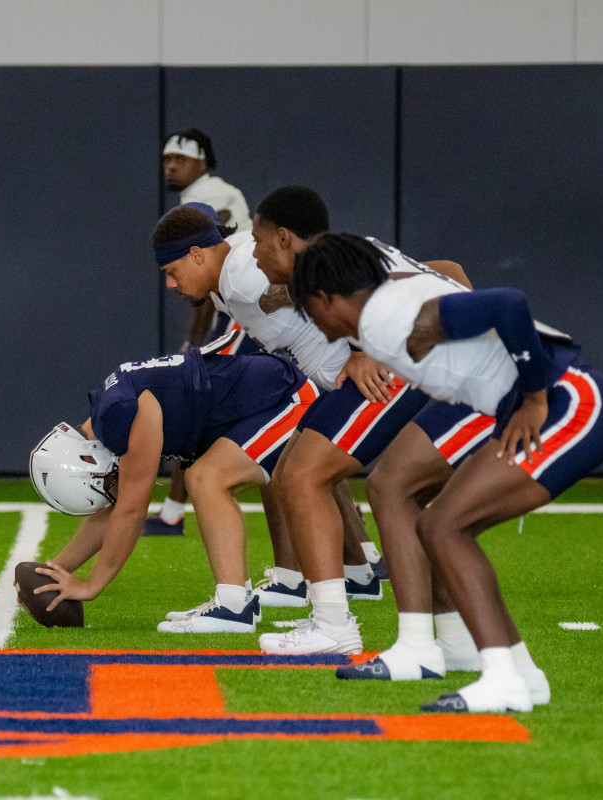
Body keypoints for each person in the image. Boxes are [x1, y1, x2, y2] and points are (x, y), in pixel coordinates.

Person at [289, 233, 603, 713]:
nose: (312, 323)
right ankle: (521, 676)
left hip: (570, 401)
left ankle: (502, 678)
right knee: (440, 524)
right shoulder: (385, 303)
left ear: (326, 298)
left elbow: (508, 304)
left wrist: (533, 399)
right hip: (542, 400)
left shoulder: (388, 319)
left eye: (308, 308)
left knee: (444, 526)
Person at [241, 187, 468, 655]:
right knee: (308, 475)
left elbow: (411, 289)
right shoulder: (352, 252)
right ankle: (455, 638)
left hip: (412, 361)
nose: (254, 252)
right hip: (440, 362)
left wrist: (365, 350)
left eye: (258, 240)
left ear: (283, 238)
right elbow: (449, 272)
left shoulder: (337, 267)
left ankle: (334, 625)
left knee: (305, 476)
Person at [152, 201, 387, 620]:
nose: (170, 285)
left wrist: (360, 349)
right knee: (300, 470)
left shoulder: (244, 275)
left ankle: (307, 613)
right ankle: (357, 574)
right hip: (332, 383)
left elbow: (339, 275)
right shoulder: (230, 276)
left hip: (357, 382)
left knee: (311, 479)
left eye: (172, 272)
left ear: (196, 254)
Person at [29, 341, 319, 633]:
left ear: (88, 465)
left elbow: (130, 512)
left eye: (104, 486)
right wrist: (53, 572)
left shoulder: (122, 412)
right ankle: (236, 599)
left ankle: (233, 607)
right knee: (205, 477)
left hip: (290, 398)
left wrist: (92, 585)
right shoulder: (108, 412)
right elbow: (115, 512)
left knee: (207, 479)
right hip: (272, 394)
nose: (111, 489)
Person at [148, 129, 255, 537]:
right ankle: (173, 511)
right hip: (236, 313)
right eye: (166, 158)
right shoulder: (203, 195)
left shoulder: (212, 197)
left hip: (240, 317)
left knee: (196, 400)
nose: (170, 164)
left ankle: (173, 513)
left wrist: (196, 338)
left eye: (180, 158)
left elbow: (212, 269)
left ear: (202, 162)